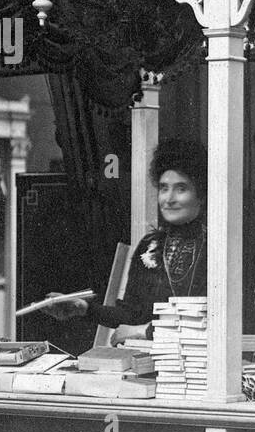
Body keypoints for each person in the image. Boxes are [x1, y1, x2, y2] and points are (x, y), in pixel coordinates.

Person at [45, 139, 207, 337]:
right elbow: (131, 314)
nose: (169, 198)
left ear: (201, 195)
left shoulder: (213, 246)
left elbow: (206, 319)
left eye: (181, 189)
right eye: (164, 188)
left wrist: (143, 332)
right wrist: (85, 309)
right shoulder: (150, 245)